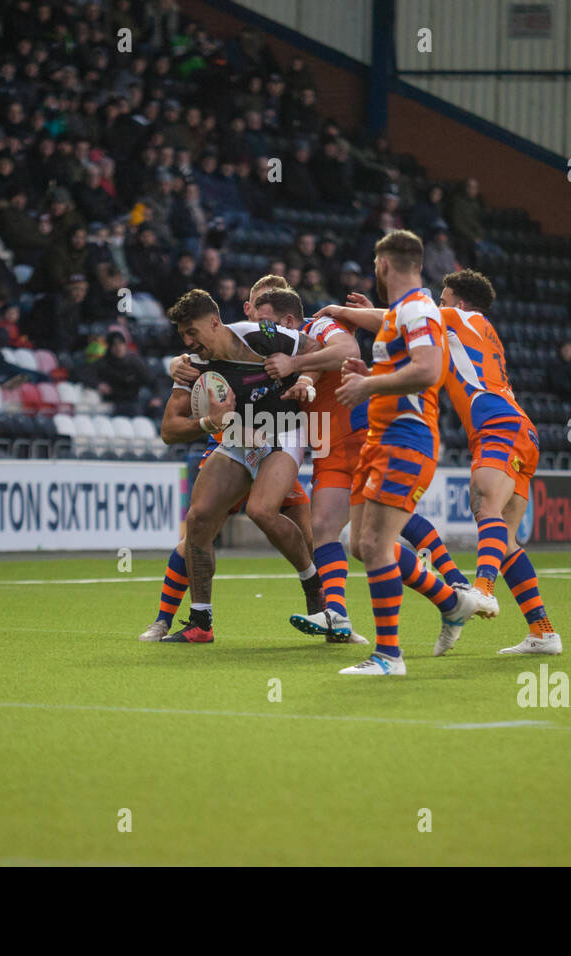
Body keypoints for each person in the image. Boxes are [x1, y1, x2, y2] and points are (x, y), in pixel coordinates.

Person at [324, 230, 495, 676]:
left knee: (378, 545)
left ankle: (388, 656)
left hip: (406, 437)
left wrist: (369, 384)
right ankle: (452, 600)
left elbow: (428, 370)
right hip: (381, 439)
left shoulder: (417, 307)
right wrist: (371, 372)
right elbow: (405, 369)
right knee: (360, 545)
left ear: (383, 265)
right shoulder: (401, 312)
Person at [153, 288, 324, 644]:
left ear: (215, 323)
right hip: (238, 437)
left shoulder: (259, 334)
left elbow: (316, 350)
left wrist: (303, 376)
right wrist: (208, 424)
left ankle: (314, 589)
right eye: (182, 335)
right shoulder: (192, 365)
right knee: (198, 519)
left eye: (193, 332)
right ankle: (201, 622)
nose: (188, 342)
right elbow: (169, 430)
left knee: (263, 511)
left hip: (284, 432)